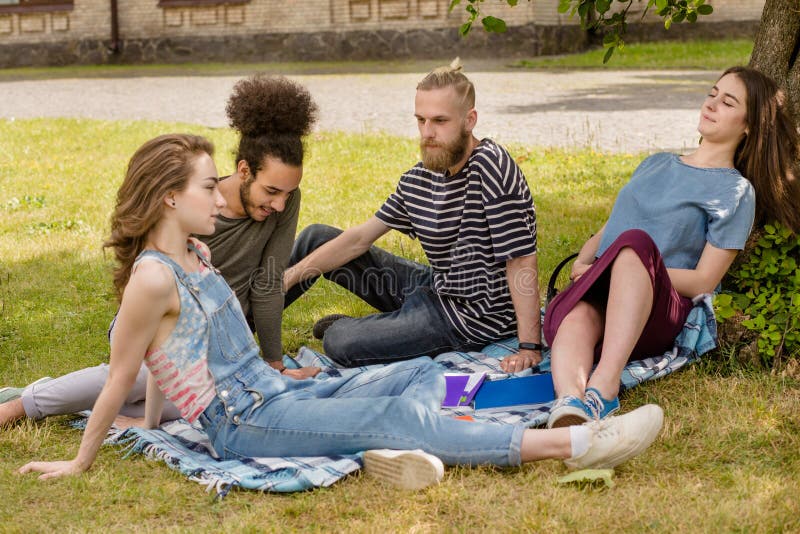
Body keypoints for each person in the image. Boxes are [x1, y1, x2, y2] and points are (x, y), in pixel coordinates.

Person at [16, 133, 665, 488]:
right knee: (395, 410)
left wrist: (157, 417)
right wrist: (81, 460)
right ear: (166, 199)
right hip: (246, 421)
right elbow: (125, 370)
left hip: (272, 393)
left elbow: (166, 364)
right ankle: (570, 444)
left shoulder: (193, 253)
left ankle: (470, 416)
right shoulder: (151, 281)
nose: (219, 196)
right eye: (206, 186)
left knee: (419, 376)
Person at [0, 75, 319, 429]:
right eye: (272, 191)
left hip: (216, 342)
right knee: (137, 378)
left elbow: (268, 281)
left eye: (289, 193)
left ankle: (96, 406)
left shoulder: (283, 202)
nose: (279, 204)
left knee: (215, 402)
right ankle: (19, 407)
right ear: (243, 170)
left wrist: (273, 367)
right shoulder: (197, 207)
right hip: (158, 325)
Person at [528, 66, 800, 429]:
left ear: (749, 125)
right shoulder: (655, 163)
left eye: (728, 101)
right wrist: (585, 259)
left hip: (655, 312)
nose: (712, 104)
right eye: (712, 93)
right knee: (580, 313)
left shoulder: (735, 191)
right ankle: (570, 406)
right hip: (597, 293)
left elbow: (705, 280)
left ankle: (603, 391)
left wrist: (630, 267)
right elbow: (613, 225)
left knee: (635, 247)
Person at [283, 60, 543, 369]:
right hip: (437, 286)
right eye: (421, 120)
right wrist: (286, 279)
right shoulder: (419, 177)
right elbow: (360, 239)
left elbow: (521, 259)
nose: (427, 132)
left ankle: (376, 329)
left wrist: (529, 346)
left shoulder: (491, 166)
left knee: (339, 342)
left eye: (440, 121)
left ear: (469, 120)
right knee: (316, 238)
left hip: (473, 319)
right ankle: (242, 328)